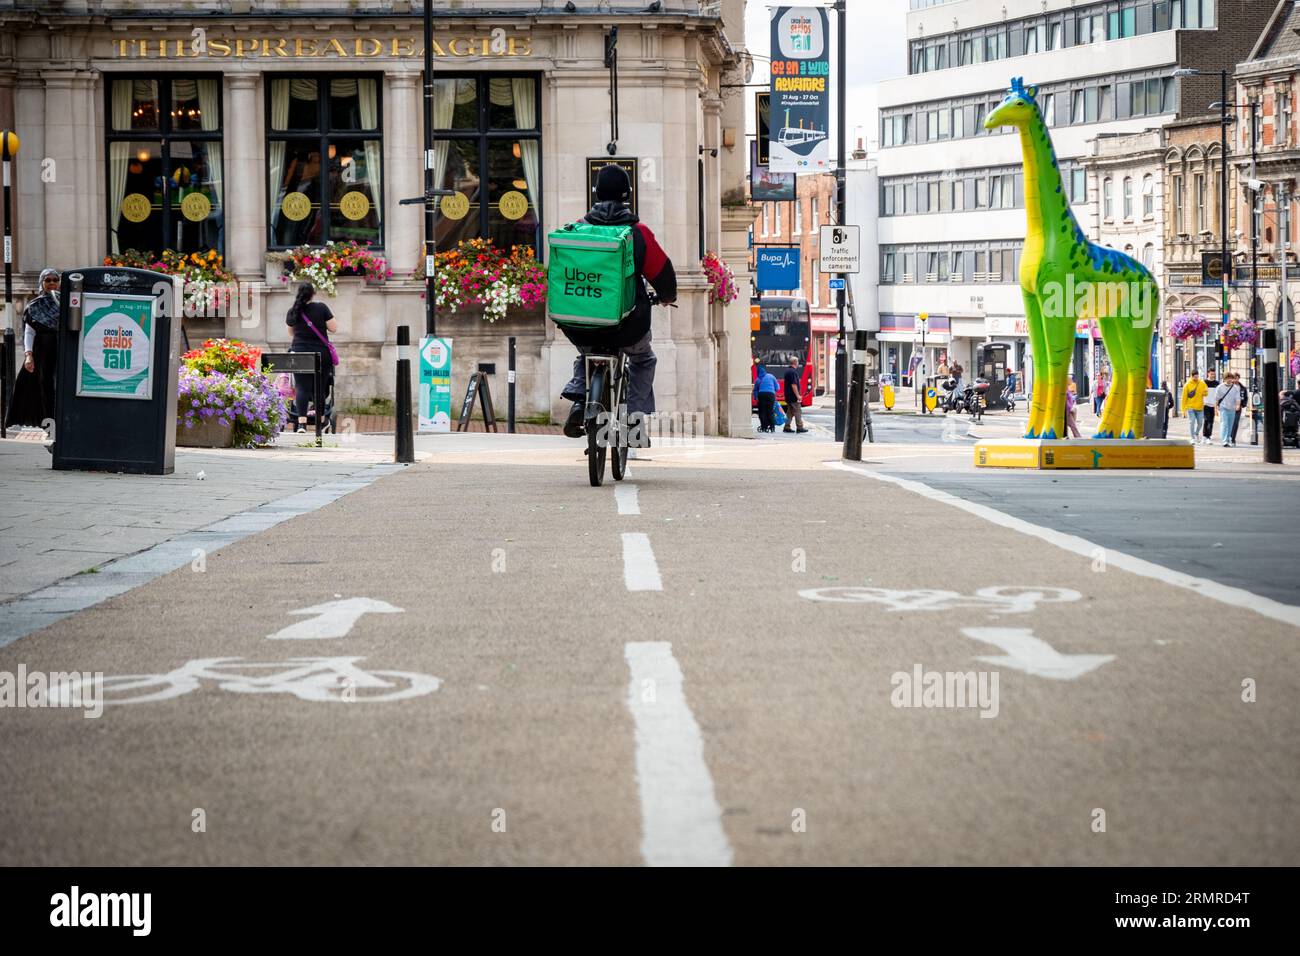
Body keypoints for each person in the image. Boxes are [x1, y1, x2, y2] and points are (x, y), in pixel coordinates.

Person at [560, 164, 677, 444]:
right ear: (627, 195)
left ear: (596, 193)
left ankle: (578, 399)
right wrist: (666, 297)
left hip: (583, 326)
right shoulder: (638, 234)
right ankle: (632, 424)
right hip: (628, 328)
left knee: (585, 352)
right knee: (643, 359)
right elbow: (663, 275)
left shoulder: (578, 231)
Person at [4, 268, 61, 432]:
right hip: (42, 353)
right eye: (48, 280)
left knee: (60, 387)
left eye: (55, 280)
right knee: (44, 387)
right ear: (42, 283)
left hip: (62, 351)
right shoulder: (34, 305)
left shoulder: (65, 303)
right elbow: (29, 332)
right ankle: (49, 426)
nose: (51, 283)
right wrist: (29, 355)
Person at [285, 281, 338, 433]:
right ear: (313, 294)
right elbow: (334, 328)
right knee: (319, 389)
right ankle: (320, 422)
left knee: (302, 387)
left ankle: (301, 424)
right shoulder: (321, 308)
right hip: (320, 354)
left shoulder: (293, 311)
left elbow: (291, 333)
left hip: (299, 352)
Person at [1212, 371, 1242, 447]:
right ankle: (1224, 440)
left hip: (1232, 408)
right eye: (1227, 378)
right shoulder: (1220, 387)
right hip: (1223, 408)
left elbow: (1238, 398)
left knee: (1230, 425)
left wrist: (1238, 405)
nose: (1229, 380)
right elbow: (1216, 399)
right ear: (1224, 379)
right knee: (1224, 424)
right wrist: (1215, 409)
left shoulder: (1235, 388)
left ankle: (1228, 439)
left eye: (1230, 378)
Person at [782, 354, 808, 434]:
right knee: (798, 411)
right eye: (797, 362)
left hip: (788, 395)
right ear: (795, 362)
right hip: (793, 396)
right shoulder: (793, 372)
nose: (798, 363)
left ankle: (787, 426)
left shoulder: (787, 371)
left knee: (790, 412)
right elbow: (794, 385)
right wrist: (798, 395)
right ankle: (799, 427)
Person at [1181, 371, 1207, 444]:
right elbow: (1184, 398)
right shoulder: (1187, 385)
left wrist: (1205, 392)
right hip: (1190, 407)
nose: (1196, 378)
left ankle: (1196, 433)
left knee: (1200, 423)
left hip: (1200, 407)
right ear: (1192, 376)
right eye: (1195, 377)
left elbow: (1206, 392)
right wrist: (1183, 411)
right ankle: (1192, 438)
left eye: (1197, 377)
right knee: (1192, 421)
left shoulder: (1202, 383)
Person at [753, 362, 779, 432]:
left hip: (761, 395)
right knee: (770, 411)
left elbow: (755, 390)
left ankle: (764, 427)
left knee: (762, 411)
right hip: (771, 395)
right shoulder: (771, 376)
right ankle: (772, 427)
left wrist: (756, 397)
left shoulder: (758, 379)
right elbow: (777, 388)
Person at [1201, 369, 1219, 443]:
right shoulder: (1204, 382)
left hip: (1213, 405)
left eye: (1214, 374)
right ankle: (1206, 436)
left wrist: (1217, 406)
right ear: (1208, 374)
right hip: (1205, 404)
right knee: (1207, 420)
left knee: (1211, 421)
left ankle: (1207, 436)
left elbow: (1218, 394)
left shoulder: (1217, 383)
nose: (1212, 375)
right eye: (1211, 374)